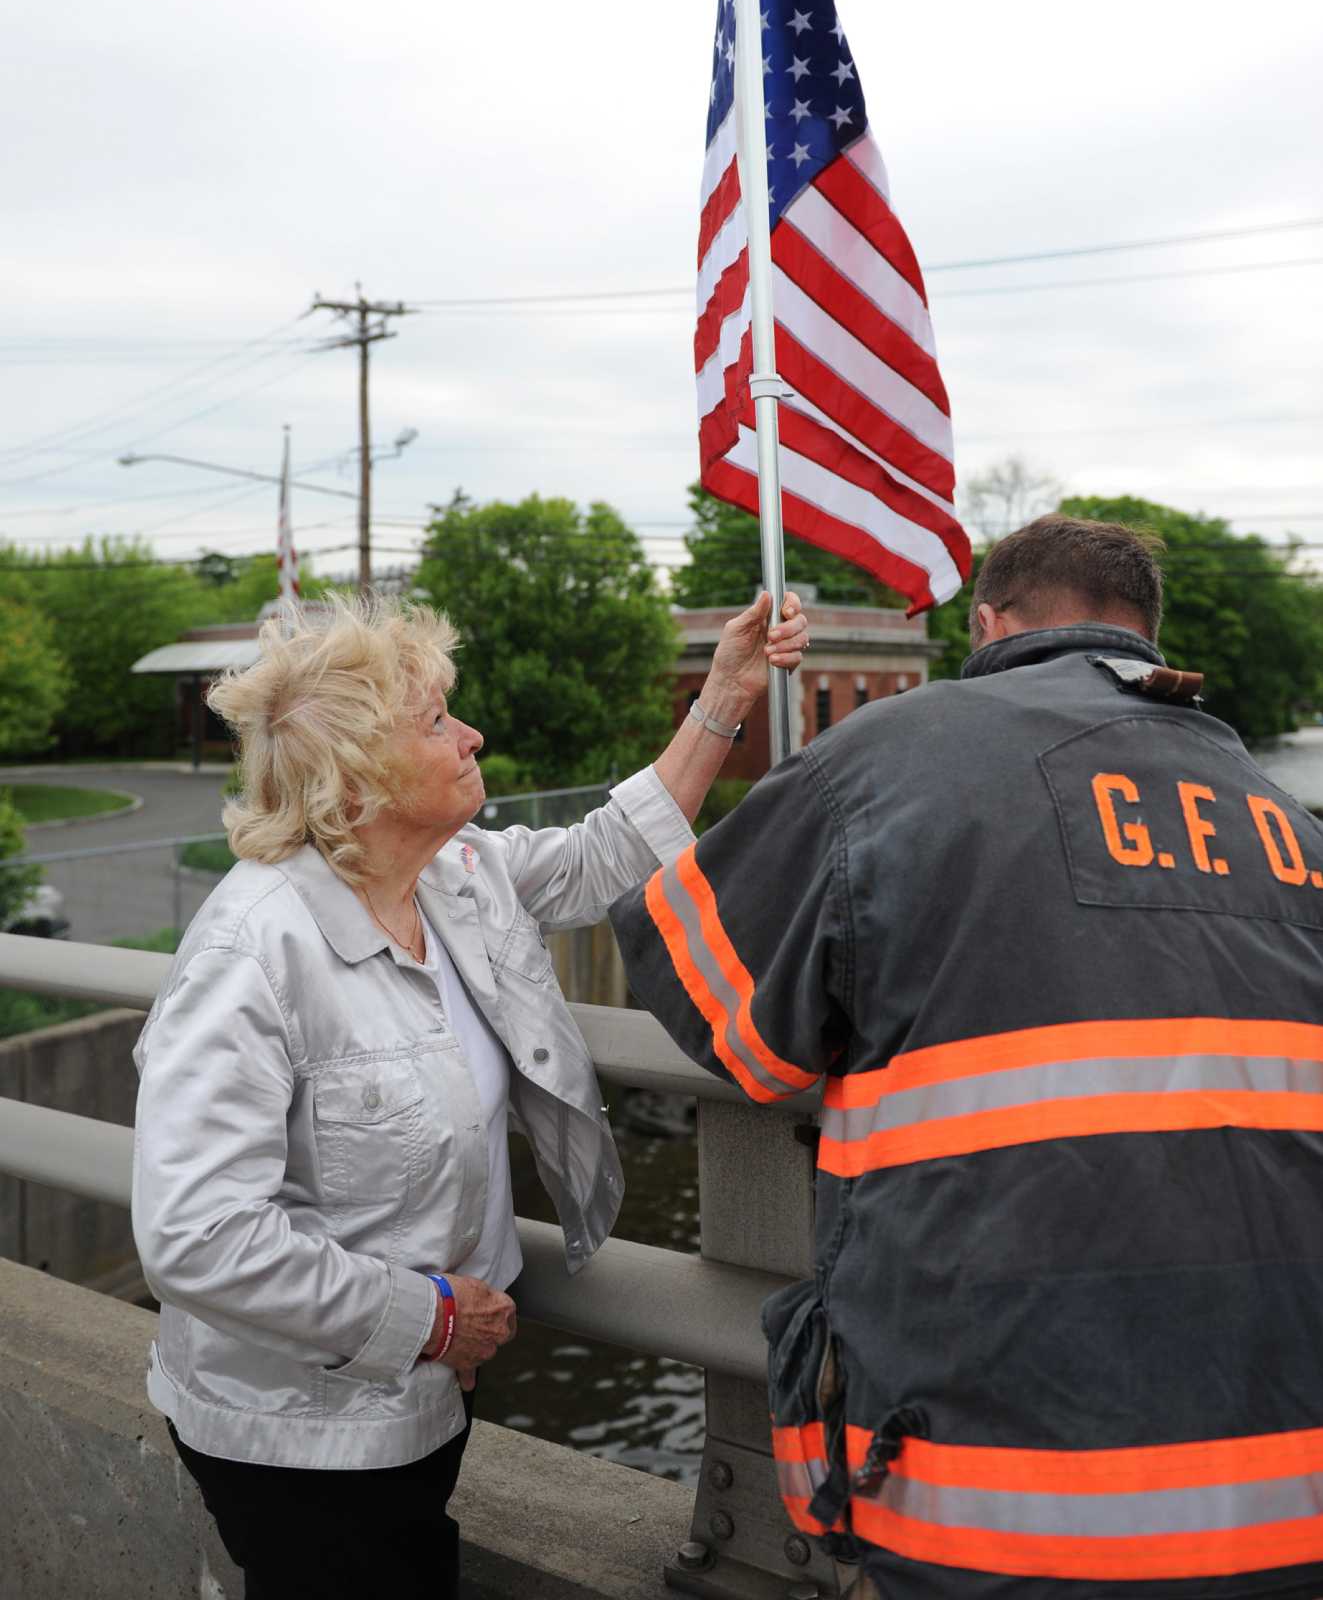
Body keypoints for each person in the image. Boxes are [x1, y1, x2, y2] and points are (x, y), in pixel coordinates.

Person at [609, 515, 1323, 1600]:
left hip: (987, 1501)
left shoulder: (889, 759)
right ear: (1145, 637)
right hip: (1287, 1497)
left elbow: (727, 1022)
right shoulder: (1288, 820)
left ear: (990, 623)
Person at [131, 584, 807, 1600]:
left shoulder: (452, 874)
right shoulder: (252, 951)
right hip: (295, 1434)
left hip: (425, 1397)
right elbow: (197, 1235)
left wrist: (725, 691)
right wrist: (430, 1318)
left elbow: (601, 856)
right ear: (359, 774)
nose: (471, 732)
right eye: (438, 718)